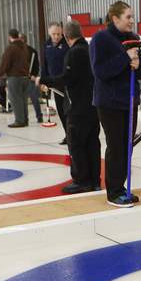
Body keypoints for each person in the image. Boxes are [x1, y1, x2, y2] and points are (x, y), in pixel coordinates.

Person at [89, 1, 141, 208]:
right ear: (115, 19)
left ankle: (121, 187)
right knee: (116, 146)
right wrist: (125, 59)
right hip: (109, 102)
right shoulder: (101, 39)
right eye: (128, 17)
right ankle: (113, 191)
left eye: (132, 17)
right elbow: (100, 71)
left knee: (127, 146)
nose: (132, 20)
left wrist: (138, 64)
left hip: (130, 101)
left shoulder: (134, 39)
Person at [38, 20, 100, 194]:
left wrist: (44, 80)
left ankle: (81, 180)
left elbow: (67, 77)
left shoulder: (74, 53)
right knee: (92, 143)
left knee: (77, 144)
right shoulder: (89, 49)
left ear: (66, 36)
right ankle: (95, 180)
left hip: (78, 106)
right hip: (93, 105)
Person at [0, 29, 30, 128]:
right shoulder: (24, 47)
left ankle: (19, 121)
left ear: (9, 36)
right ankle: (25, 119)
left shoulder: (11, 48)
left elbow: (5, 63)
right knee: (23, 99)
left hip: (15, 77)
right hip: (25, 77)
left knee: (15, 99)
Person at [43, 23, 70, 145]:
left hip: (67, 83)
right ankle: (67, 135)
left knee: (68, 111)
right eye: (54, 34)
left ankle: (72, 135)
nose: (56, 36)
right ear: (49, 33)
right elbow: (44, 65)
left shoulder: (67, 44)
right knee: (60, 111)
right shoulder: (46, 45)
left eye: (59, 34)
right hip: (54, 84)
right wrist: (44, 82)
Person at [21, 33, 43, 125]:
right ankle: (25, 119)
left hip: (30, 78)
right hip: (21, 78)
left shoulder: (32, 51)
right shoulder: (17, 52)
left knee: (34, 98)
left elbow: (36, 65)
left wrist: (34, 75)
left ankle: (39, 116)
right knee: (23, 100)